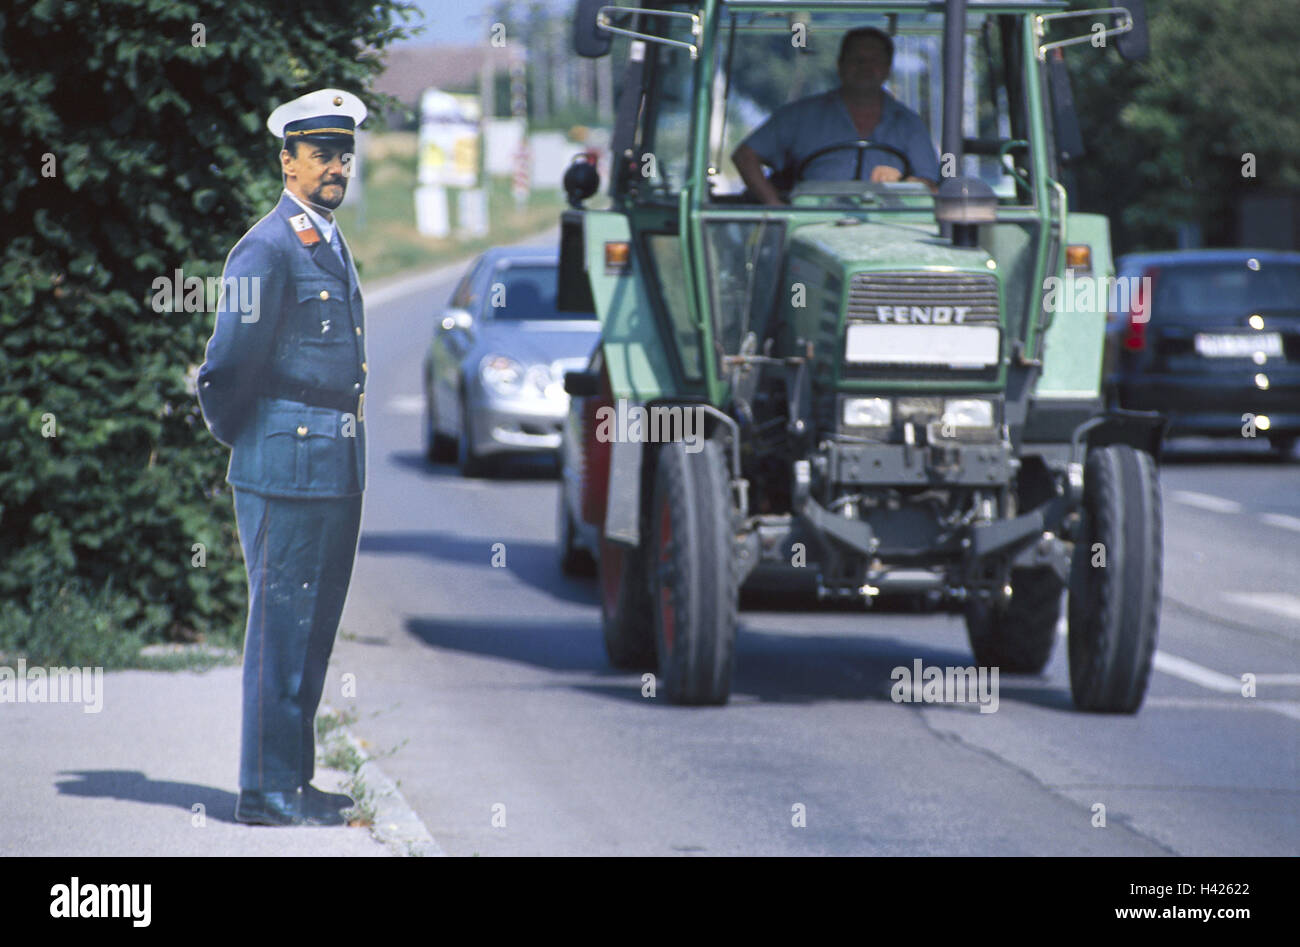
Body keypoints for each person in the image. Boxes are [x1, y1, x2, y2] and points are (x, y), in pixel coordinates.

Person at [197, 89, 369, 826]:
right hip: (284, 463)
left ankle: (294, 778)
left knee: (312, 627)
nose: (336, 167)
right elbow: (226, 368)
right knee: (279, 628)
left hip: (334, 462)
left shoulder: (326, 238)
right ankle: (264, 791)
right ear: (287, 160)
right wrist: (252, 440)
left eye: (345, 154)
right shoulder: (265, 247)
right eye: (322, 154)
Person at [732, 27, 940, 204]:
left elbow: (930, 186)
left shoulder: (909, 124)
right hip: (810, 223)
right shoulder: (801, 116)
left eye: (874, 61)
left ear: (887, 69)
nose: (865, 67)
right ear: (840, 65)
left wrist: (901, 183)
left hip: (889, 226)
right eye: (856, 59)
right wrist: (775, 207)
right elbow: (745, 155)